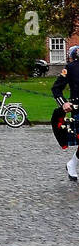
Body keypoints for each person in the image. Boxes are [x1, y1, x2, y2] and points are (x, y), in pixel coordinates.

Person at [52, 47, 79, 180]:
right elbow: (56, 88)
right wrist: (63, 103)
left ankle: (72, 163)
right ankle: (72, 164)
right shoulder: (70, 68)